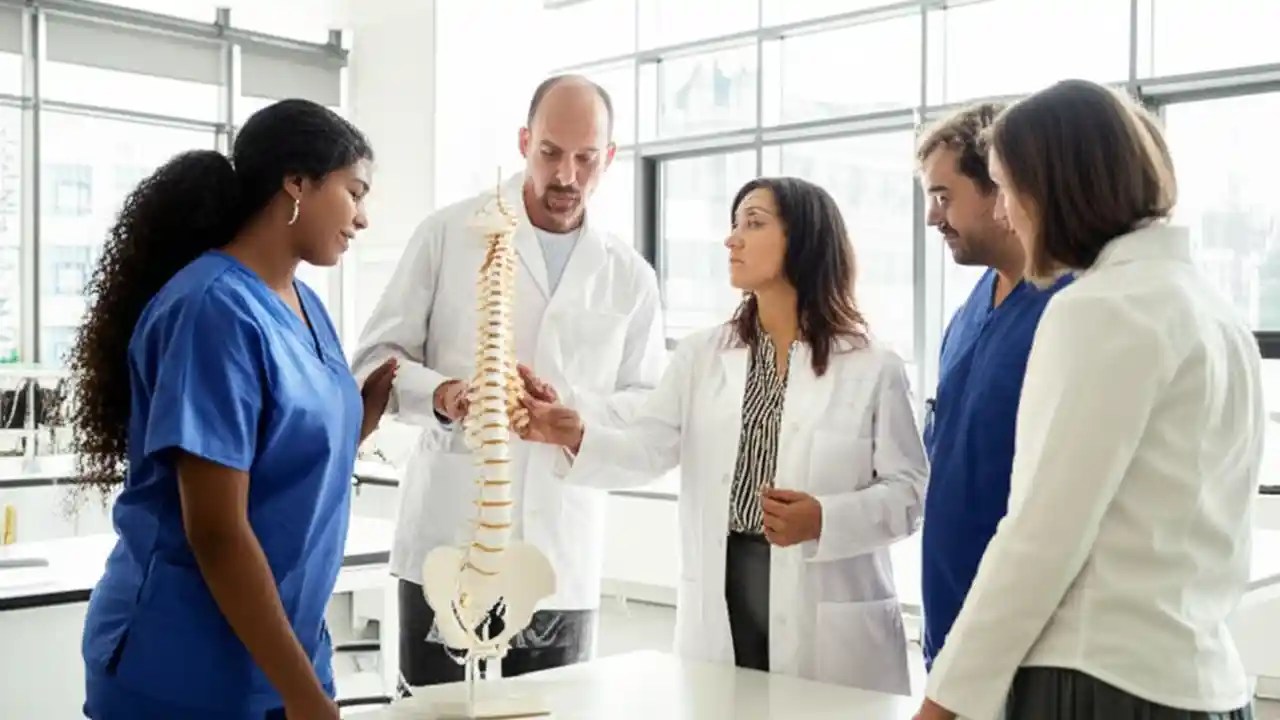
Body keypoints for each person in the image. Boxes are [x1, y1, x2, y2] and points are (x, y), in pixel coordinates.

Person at [917, 80, 1264, 720]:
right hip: (1200, 683)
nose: (1005, 214)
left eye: (1009, 189)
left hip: (1097, 682)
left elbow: (1041, 537)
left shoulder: (1098, 310)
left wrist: (941, 704)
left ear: (1053, 187)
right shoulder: (1212, 312)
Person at [518, 176, 928, 695]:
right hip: (723, 594)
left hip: (826, 613)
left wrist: (825, 518)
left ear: (804, 239)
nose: (732, 239)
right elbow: (649, 446)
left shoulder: (873, 367)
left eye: (753, 224)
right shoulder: (701, 356)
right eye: (733, 225)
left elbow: (910, 492)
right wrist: (576, 434)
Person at [71, 99, 396, 720]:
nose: (362, 218)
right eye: (354, 193)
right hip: (186, 665)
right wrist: (306, 698)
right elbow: (216, 530)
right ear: (297, 182)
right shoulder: (212, 310)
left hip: (283, 652)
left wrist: (358, 419)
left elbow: (275, 457)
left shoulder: (302, 301)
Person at [349, 74, 665, 687]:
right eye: (550, 152)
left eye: (585, 158)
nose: (566, 175)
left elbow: (647, 408)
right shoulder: (447, 234)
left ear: (610, 158)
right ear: (524, 141)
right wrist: (444, 396)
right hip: (446, 542)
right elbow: (376, 357)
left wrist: (574, 422)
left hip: (560, 554)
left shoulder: (630, 277)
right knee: (433, 712)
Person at [914, 103, 1074, 670]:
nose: (933, 217)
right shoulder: (967, 313)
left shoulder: (1070, 310)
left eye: (943, 196)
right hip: (950, 624)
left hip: (1028, 644)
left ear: (1001, 190)